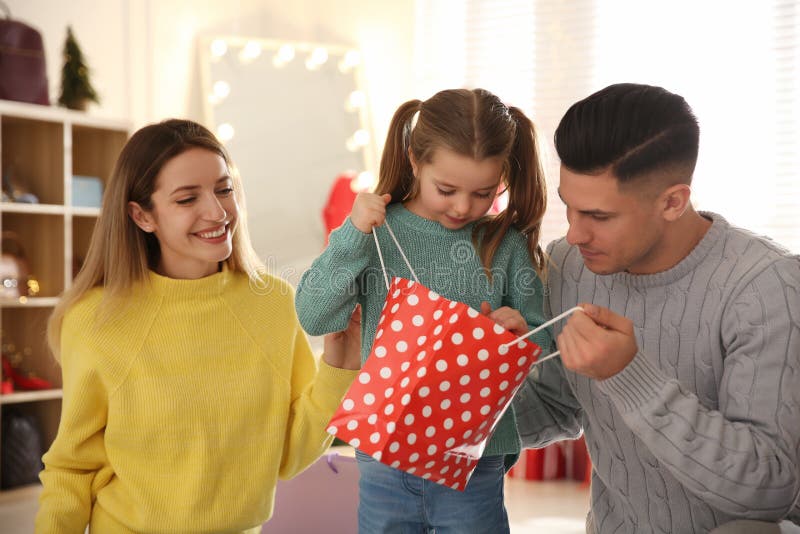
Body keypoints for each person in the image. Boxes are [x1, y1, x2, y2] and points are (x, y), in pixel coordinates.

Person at [35, 119, 361, 533]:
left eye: (224, 189)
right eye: (187, 198)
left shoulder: (273, 304)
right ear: (141, 216)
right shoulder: (98, 320)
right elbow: (72, 470)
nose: (217, 210)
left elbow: (289, 456)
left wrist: (340, 364)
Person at [512, 83, 800, 533]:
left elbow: (769, 489)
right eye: (569, 208)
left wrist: (628, 375)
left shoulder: (765, 286)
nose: (574, 235)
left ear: (673, 202)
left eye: (599, 217)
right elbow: (555, 402)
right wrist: (459, 406)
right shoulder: (569, 265)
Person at [295, 88, 551, 533]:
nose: (463, 207)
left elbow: (544, 341)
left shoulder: (505, 246)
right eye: (447, 189)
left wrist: (521, 331)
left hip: (476, 454)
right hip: (385, 451)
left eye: (483, 193)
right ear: (414, 159)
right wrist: (352, 233)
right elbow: (315, 315)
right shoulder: (375, 233)